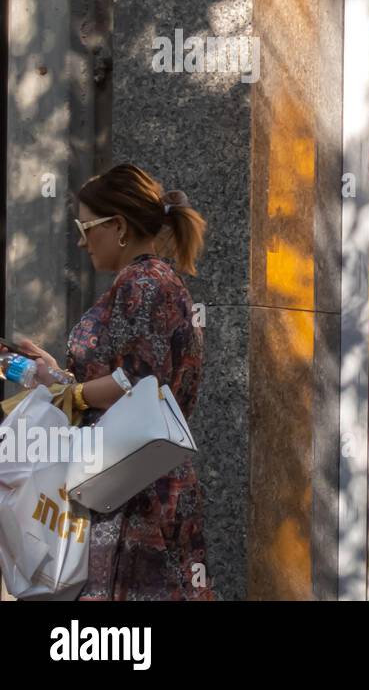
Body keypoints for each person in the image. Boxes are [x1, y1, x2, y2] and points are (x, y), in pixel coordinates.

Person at [5, 163, 217, 600]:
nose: (81, 242)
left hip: (134, 490)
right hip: (131, 478)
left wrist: (70, 391)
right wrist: (55, 376)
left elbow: (135, 384)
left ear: (118, 226)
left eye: (86, 227)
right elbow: (123, 380)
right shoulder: (149, 282)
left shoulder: (144, 284)